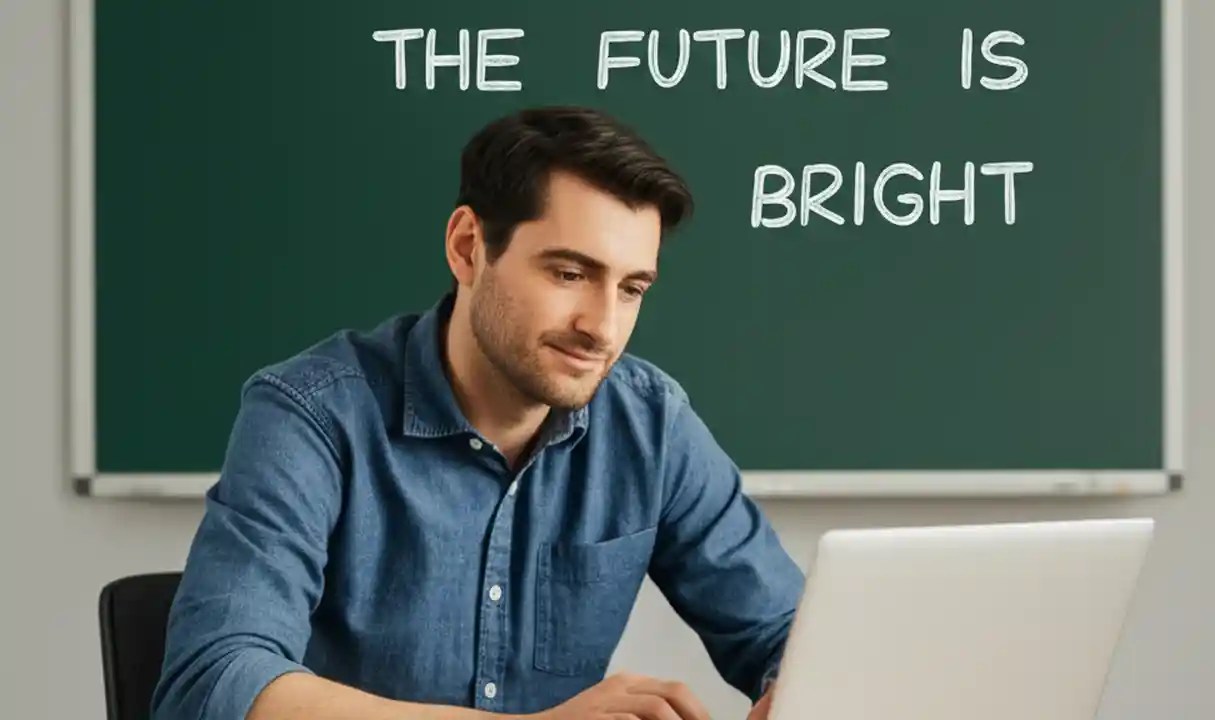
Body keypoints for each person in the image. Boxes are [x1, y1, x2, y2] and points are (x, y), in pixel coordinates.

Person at [152, 105, 805, 720]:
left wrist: (807, 685)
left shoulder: (651, 425)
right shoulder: (310, 416)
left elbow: (790, 637)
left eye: (631, 288)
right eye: (569, 273)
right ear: (468, 247)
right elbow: (213, 681)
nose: (603, 327)